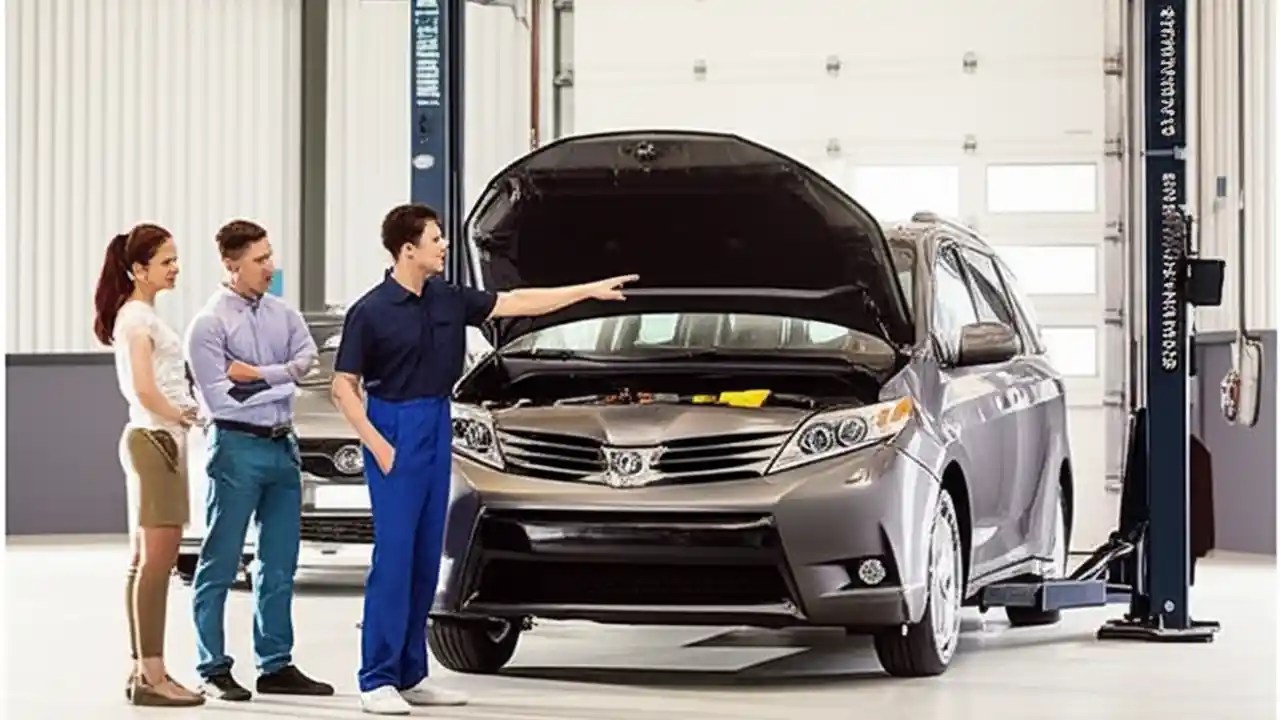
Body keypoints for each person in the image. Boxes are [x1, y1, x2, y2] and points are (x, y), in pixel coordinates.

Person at [330, 202, 638, 715]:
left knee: (426, 559)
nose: (444, 246)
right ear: (407, 249)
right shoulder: (370, 311)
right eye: (435, 239)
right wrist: (378, 444)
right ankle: (376, 678)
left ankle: (410, 675)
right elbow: (343, 387)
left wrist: (586, 291)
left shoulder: (449, 298)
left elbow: (517, 302)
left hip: (437, 420)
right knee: (394, 560)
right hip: (393, 427)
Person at [184, 219, 332, 701]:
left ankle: (276, 664)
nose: (271, 266)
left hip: (282, 447)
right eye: (260, 259)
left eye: (270, 256)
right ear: (232, 264)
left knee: (279, 563)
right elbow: (223, 398)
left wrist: (257, 375)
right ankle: (212, 667)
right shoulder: (208, 325)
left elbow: (307, 366)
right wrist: (283, 377)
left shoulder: (284, 314)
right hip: (236, 449)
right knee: (220, 561)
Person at [92, 223, 206, 707]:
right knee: (157, 564)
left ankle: (144, 669)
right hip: (156, 440)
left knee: (144, 562)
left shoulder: (137, 315)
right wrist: (185, 414)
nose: (175, 268)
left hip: (154, 439)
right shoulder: (138, 320)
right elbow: (142, 388)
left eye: (175, 259)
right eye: (166, 261)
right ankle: (153, 677)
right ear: (138, 269)